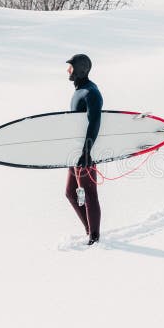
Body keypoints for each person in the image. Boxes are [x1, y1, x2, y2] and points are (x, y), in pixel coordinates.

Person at [64, 53, 104, 245]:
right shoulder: (79, 91)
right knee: (71, 193)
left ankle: (94, 239)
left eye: (70, 67)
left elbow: (95, 121)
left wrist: (87, 152)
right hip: (75, 153)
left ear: (80, 69)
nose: (67, 70)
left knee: (89, 194)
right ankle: (89, 230)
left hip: (86, 154)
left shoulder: (91, 92)